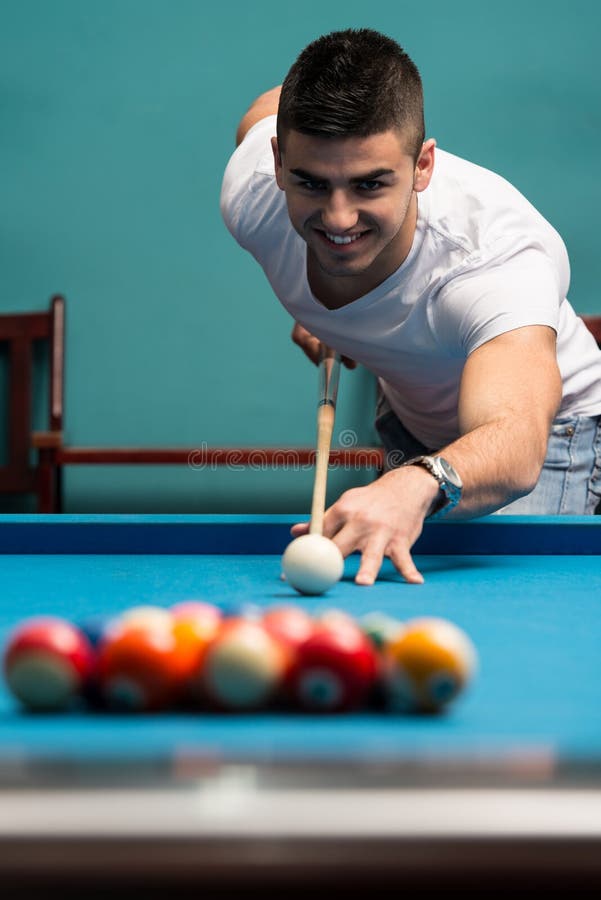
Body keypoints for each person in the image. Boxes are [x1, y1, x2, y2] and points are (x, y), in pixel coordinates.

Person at [220, 28, 601, 585]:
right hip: (412, 411)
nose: (339, 217)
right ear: (278, 161)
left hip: (548, 433)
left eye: (370, 185)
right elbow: (265, 109)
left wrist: (418, 482)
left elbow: (517, 441)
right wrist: (333, 318)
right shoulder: (253, 194)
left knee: (501, 610)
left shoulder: (492, 262)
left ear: (423, 165)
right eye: (312, 184)